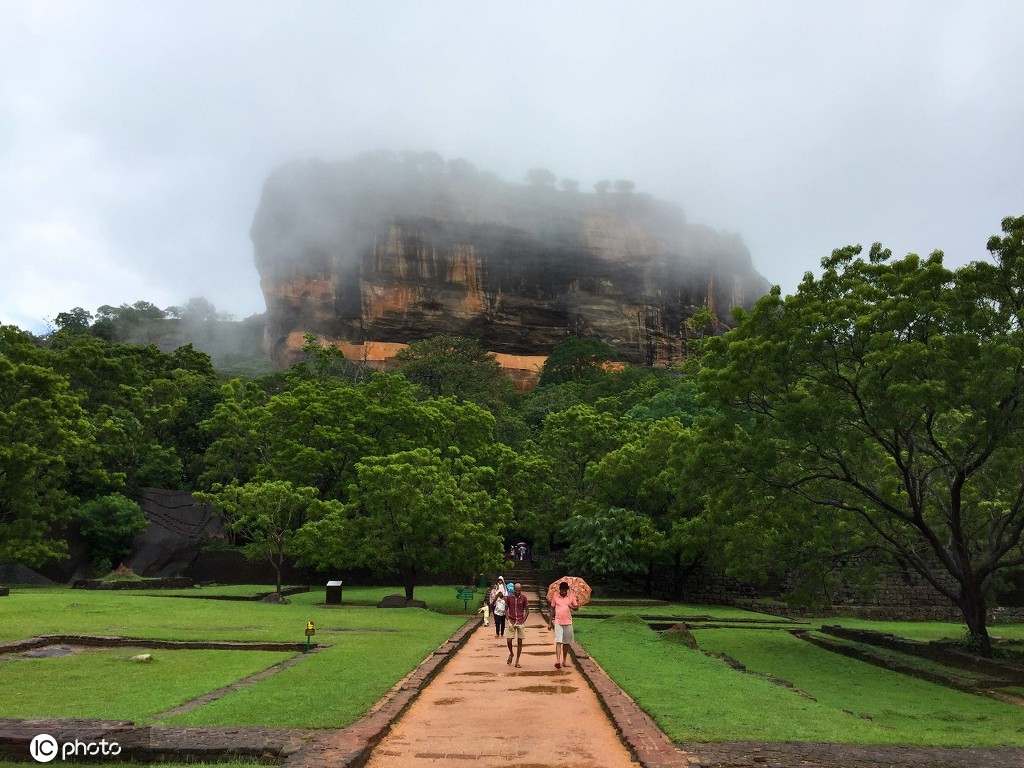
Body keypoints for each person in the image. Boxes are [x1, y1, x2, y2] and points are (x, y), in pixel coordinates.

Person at [547, 581, 579, 669]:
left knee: (566, 643)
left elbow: (577, 608)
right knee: (558, 641)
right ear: (560, 590)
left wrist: (572, 607)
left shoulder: (571, 596)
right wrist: (550, 623)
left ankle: (564, 660)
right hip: (558, 622)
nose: (564, 592)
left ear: (567, 590)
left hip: (568, 622)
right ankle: (557, 661)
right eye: (562, 590)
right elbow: (552, 609)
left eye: (565, 590)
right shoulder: (555, 596)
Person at [505, 582, 529, 668]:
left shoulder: (524, 598)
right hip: (511, 620)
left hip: (520, 621)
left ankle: (517, 660)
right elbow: (505, 609)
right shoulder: (509, 598)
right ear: (514, 589)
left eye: (519, 590)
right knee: (509, 640)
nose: (517, 592)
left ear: (521, 590)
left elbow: (527, 610)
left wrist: (523, 620)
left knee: (520, 641)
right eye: (516, 590)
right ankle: (511, 653)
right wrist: (508, 619)